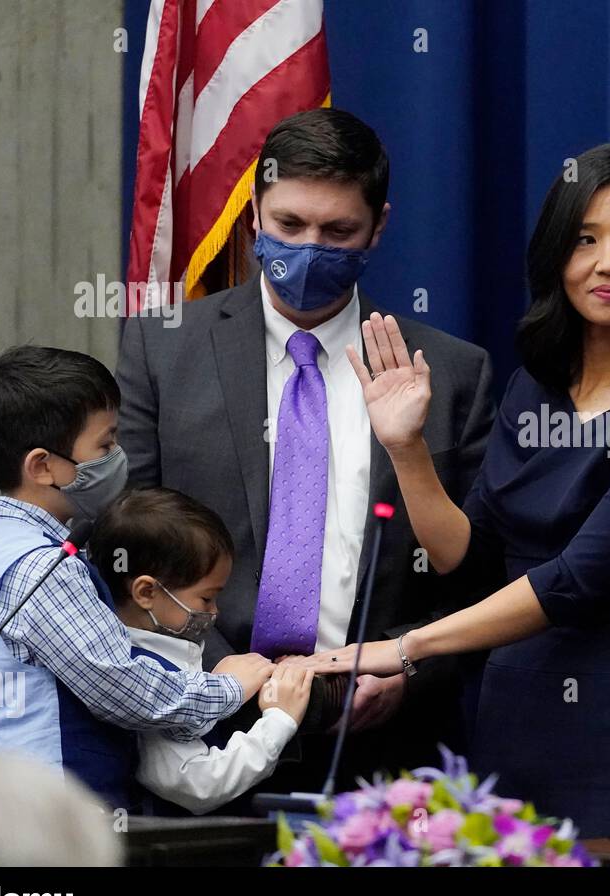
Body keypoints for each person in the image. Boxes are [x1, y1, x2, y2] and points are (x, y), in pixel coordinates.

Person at [304, 144, 610, 841]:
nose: (609, 262)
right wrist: (405, 447)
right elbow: (463, 559)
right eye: (585, 239)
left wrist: (405, 647)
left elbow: (571, 583)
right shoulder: (536, 386)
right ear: (556, 255)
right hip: (501, 727)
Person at [117, 108, 497, 786]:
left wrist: (412, 671)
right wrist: (221, 674)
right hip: (200, 734)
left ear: (378, 226)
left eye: (337, 231)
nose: (308, 248)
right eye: (289, 225)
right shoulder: (162, 347)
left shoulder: (450, 371)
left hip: (382, 755)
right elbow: (125, 546)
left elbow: (480, 580)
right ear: (254, 214)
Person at [0, 346, 272, 810]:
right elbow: (122, 687)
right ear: (42, 466)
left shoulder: (24, 546)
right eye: (104, 446)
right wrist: (230, 687)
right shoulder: (39, 568)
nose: (117, 458)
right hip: (53, 821)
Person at [91, 488, 313, 815]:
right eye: (206, 598)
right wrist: (278, 721)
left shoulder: (153, 647)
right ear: (146, 591)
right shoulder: (145, 674)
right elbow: (197, 781)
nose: (215, 612)